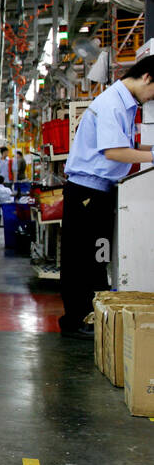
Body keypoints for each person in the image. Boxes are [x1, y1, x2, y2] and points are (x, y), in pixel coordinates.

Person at [57, 57, 154, 338]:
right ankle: (75, 321)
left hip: (98, 192)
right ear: (147, 77)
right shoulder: (112, 104)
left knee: (97, 258)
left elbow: (128, 145)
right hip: (87, 193)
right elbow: (114, 152)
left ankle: (91, 318)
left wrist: (149, 148)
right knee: (83, 260)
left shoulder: (124, 104)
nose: (151, 100)